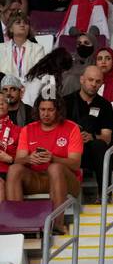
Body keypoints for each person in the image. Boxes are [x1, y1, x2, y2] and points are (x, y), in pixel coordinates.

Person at [6, 96, 82, 232]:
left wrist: (53, 158)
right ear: (37, 110)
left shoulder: (72, 128)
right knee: (15, 169)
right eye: (42, 109)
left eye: (50, 110)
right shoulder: (28, 129)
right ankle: (16, 224)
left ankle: (57, 224)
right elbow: (18, 160)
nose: (45, 114)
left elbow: (75, 164)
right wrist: (29, 159)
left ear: (58, 111)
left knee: (55, 168)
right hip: (37, 179)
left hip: (67, 180)